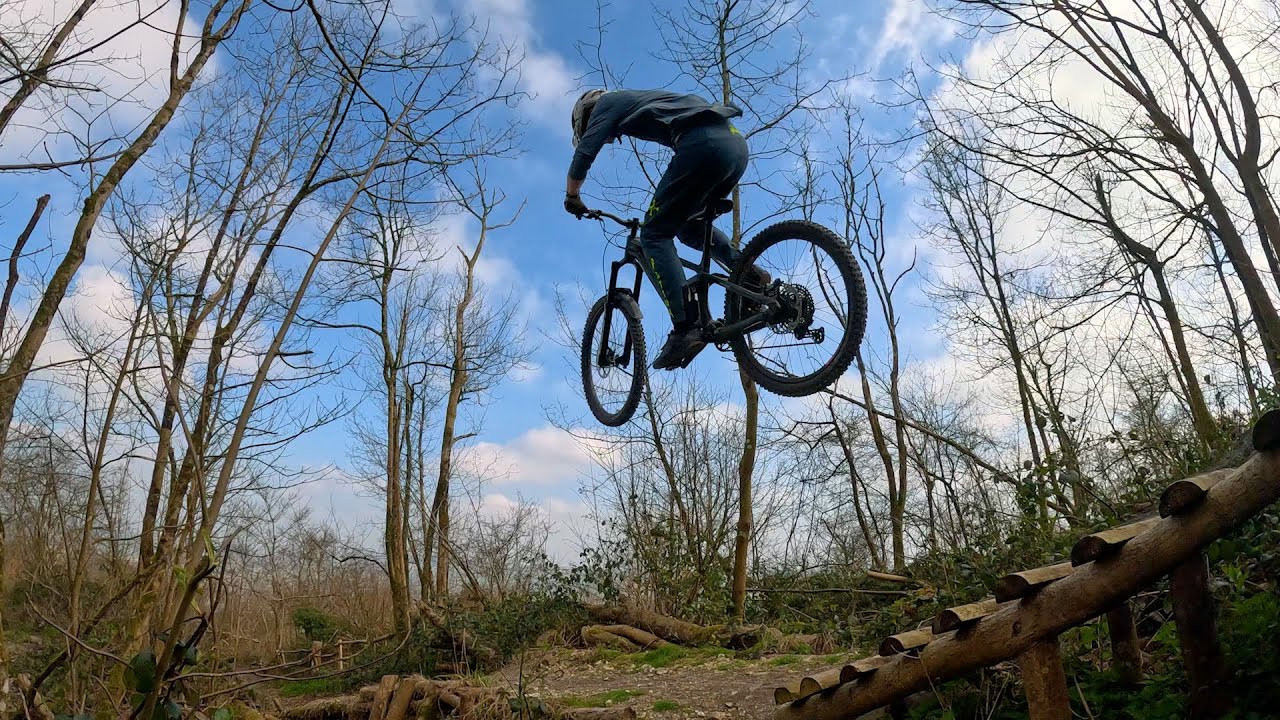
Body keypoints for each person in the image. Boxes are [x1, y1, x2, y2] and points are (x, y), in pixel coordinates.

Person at [564, 88, 768, 370]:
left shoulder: (607, 104)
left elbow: (586, 151)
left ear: (587, 113)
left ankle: (687, 326)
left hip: (701, 146)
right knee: (687, 226)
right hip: (735, 146)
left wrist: (572, 195)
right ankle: (748, 275)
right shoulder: (647, 100)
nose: (611, 139)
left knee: (654, 234)